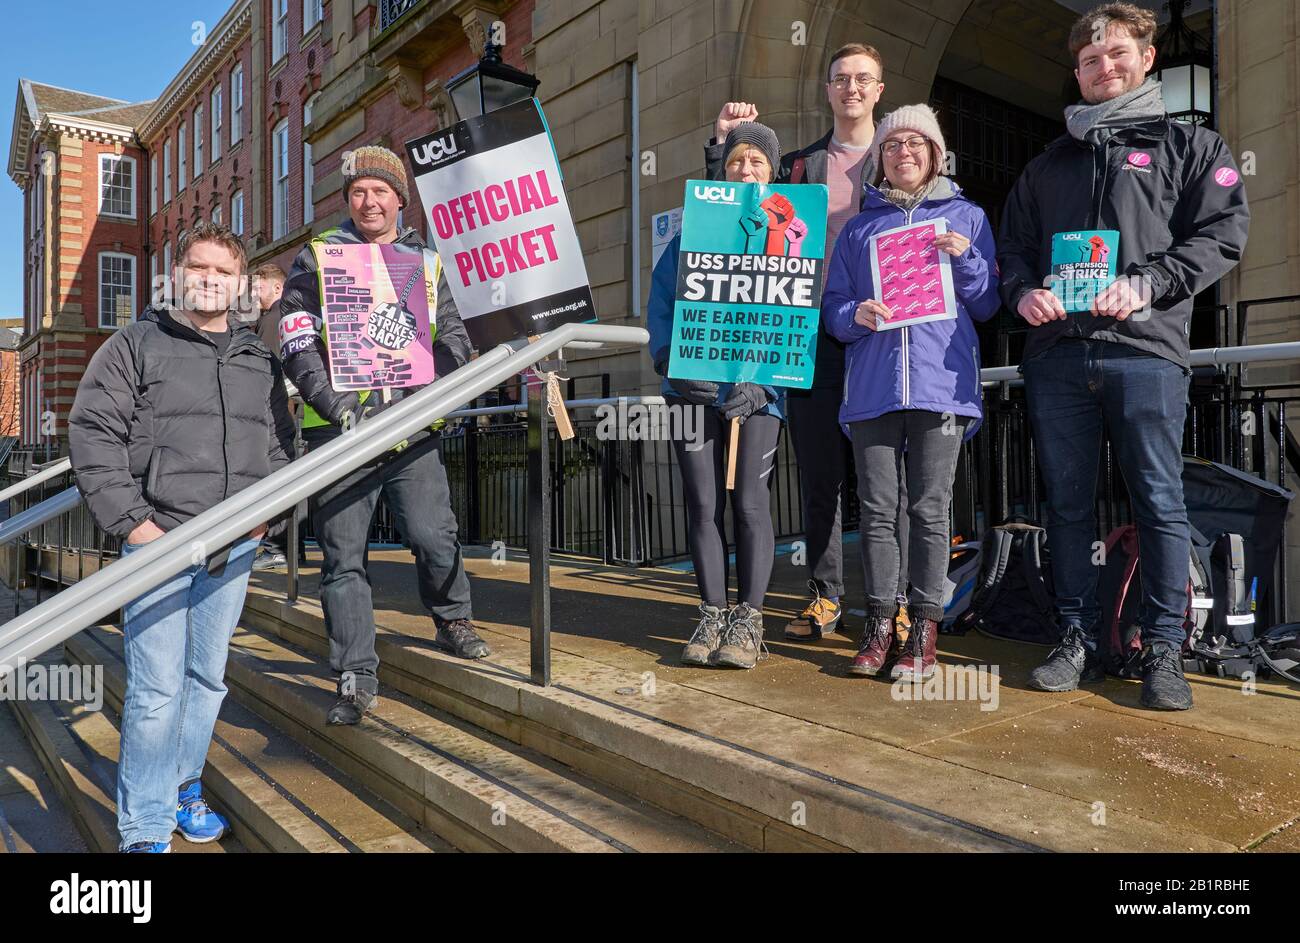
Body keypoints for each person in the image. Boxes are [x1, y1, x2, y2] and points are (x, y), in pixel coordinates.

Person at [997, 2, 1249, 710]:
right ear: (1075, 73)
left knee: (1160, 501)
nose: (1103, 68)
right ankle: (1075, 635)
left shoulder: (1193, 149)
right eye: (1088, 60)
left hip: (1145, 354)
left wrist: (1147, 284)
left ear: (1145, 60)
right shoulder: (1048, 166)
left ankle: (1161, 646)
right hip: (1057, 359)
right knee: (1067, 505)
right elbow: (1010, 250)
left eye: (1116, 55)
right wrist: (1020, 295)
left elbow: (1223, 234)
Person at [68, 222, 296, 852]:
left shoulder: (257, 358)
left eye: (223, 272)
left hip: (233, 548)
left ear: (241, 283)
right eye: (199, 268)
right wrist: (134, 525)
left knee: (206, 681)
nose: (210, 280)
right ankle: (143, 827)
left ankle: (182, 789)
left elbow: (280, 445)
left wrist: (263, 516)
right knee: (155, 690)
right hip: (159, 544)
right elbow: (92, 433)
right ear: (176, 273)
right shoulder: (135, 345)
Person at [705, 44, 911, 644]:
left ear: (879, 90)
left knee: (886, 480)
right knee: (821, 476)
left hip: (884, 337)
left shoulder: (901, 158)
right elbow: (731, 213)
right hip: (810, 336)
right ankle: (826, 596)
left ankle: (894, 599)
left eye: (863, 79)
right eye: (841, 79)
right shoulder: (797, 168)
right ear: (828, 90)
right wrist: (723, 145)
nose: (851, 88)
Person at [278, 145, 489, 726]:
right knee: (343, 558)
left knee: (431, 533)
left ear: (400, 198)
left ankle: (453, 620)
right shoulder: (318, 256)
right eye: (358, 192)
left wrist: (421, 397)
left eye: (380, 191)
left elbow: (455, 340)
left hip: (410, 429)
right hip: (339, 435)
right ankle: (354, 674)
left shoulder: (428, 263)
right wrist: (335, 403)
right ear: (349, 200)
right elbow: (296, 334)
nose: (369, 201)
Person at [824, 105, 1000, 679]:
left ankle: (923, 629)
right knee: (876, 512)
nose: (904, 153)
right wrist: (857, 315)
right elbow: (833, 309)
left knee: (929, 510)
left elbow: (989, 303)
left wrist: (965, 258)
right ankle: (880, 622)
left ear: (934, 155)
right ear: (880, 158)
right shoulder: (858, 228)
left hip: (940, 385)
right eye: (893, 144)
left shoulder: (967, 218)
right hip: (874, 387)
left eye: (915, 145)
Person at [649, 123, 787, 670]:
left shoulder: (789, 237)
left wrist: (766, 383)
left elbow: (796, 313)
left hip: (757, 395)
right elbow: (662, 306)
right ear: (722, 169)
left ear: (773, 173)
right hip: (690, 390)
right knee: (702, 503)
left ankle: (749, 620)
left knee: (749, 504)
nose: (745, 169)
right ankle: (711, 611)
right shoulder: (690, 235)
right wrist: (672, 365)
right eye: (736, 161)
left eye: (757, 161)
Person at [249, 262, 293, 570]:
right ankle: (285, 548)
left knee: (275, 478)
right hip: (285, 413)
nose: (253, 294)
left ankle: (277, 548)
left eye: (258, 287)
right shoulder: (282, 316)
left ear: (277, 288)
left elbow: (266, 371)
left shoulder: (272, 319)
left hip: (275, 415)